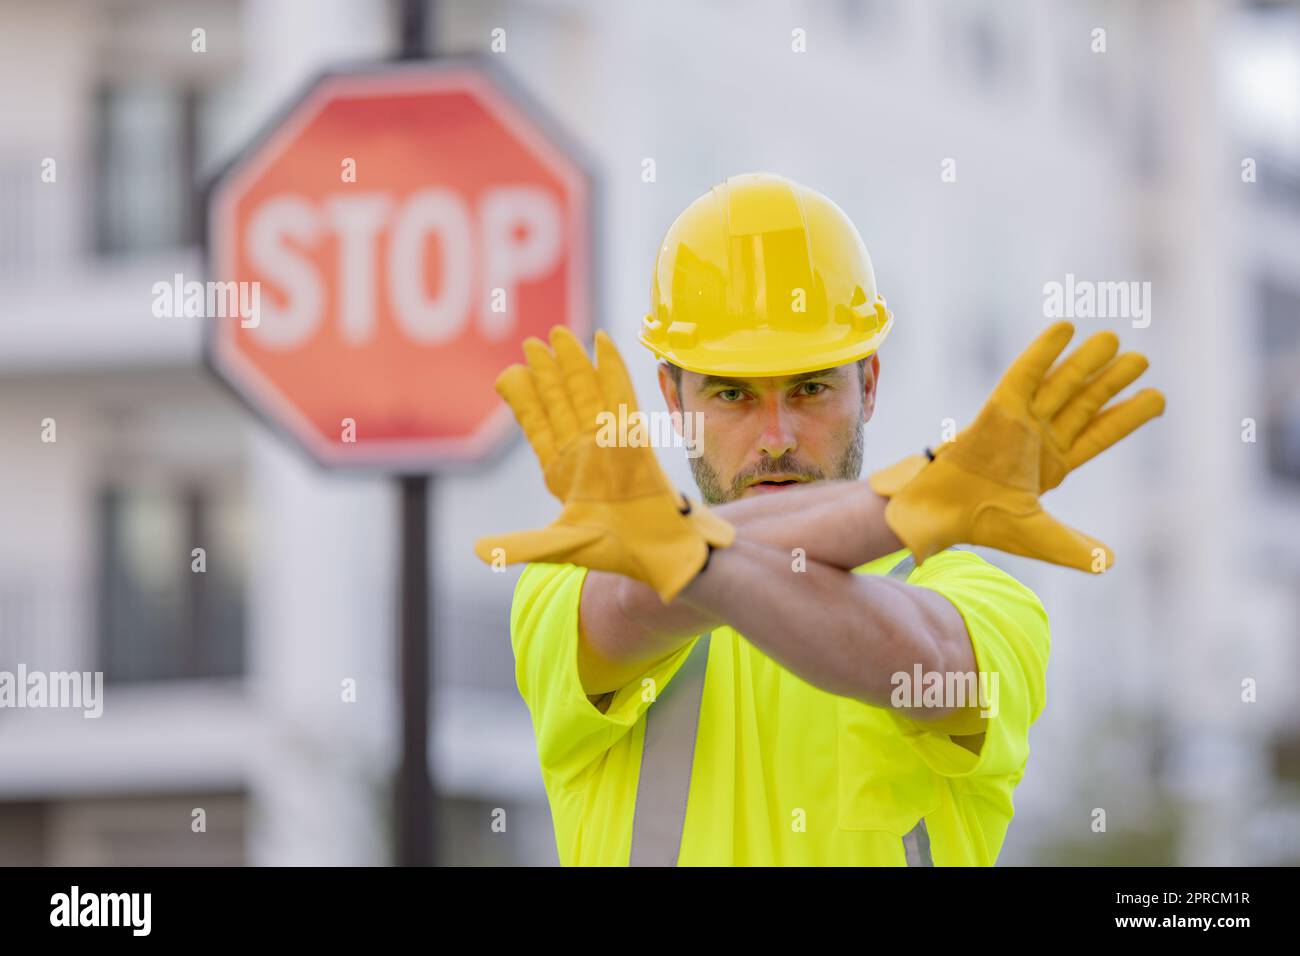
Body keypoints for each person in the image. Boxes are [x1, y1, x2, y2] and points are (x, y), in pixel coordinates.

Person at [476, 172, 1166, 866]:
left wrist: (681, 548)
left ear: (868, 383)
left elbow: (926, 661)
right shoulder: (585, 569)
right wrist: (906, 505)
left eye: (810, 388)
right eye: (732, 394)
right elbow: (632, 599)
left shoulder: (975, 595)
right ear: (673, 397)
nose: (776, 436)